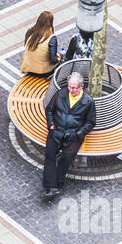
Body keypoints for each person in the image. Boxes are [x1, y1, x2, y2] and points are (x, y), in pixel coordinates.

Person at [42, 71, 96, 199]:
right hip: (56, 131)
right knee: (49, 155)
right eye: (69, 87)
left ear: (81, 86)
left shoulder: (88, 102)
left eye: (74, 88)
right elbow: (50, 109)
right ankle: (52, 187)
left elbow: (91, 122)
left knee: (65, 160)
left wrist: (78, 134)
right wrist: (51, 125)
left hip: (73, 136)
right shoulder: (60, 94)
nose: (71, 90)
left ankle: (56, 185)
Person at [21, 11, 60, 78]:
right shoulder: (51, 38)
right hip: (42, 72)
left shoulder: (31, 31)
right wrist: (59, 58)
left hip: (28, 67)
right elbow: (53, 60)